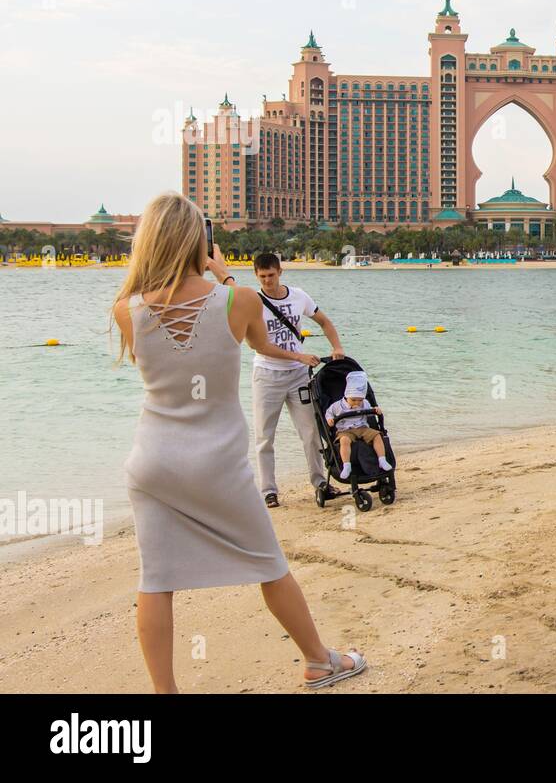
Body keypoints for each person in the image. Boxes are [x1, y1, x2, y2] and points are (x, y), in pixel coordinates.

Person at [111, 192, 365, 693]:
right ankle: (318, 660)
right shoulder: (237, 298)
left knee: (156, 581)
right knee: (270, 565)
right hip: (217, 463)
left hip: (153, 462)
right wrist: (224, 272)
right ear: (198, 242)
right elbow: (250, 326)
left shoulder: (127, 310)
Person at [209, 251, 346, 508]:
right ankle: (269, 491)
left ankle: (321, 483)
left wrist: (337, 347)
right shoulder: (253, 300)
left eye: (271, 275)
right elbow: (258, 345)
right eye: (262, 277)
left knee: (311, 433)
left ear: (280, 272)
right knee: (264, 437)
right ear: (256, 276)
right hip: (267, 376)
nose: (267, 281)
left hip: (298, 377)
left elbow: (324, 321)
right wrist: (212, 258)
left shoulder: (298, 296)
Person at [324, 371, 393, 480]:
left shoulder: (364, 403)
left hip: (362, 428)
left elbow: (370, 411)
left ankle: (382, 459)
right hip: (345, 430)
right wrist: (329, 419)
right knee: (344, 441)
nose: (357, 403)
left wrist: (376, 410)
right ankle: (347, 465)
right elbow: (328, 413)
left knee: (377, 436)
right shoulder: (337, 406)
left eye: (359, 400)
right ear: (347, 396)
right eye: (353, 400)